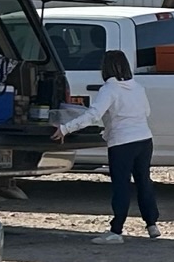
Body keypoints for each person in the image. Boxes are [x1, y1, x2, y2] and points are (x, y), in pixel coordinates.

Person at [53, 50, 161, 245]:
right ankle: (152, 224)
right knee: (144, 181)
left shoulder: (109, 89)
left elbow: (94, 115)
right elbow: (147, 111)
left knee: (121, 185)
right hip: (144, 139)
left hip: (122, 142)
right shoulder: (137, 87)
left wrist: (66, 128)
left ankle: (116, 230)